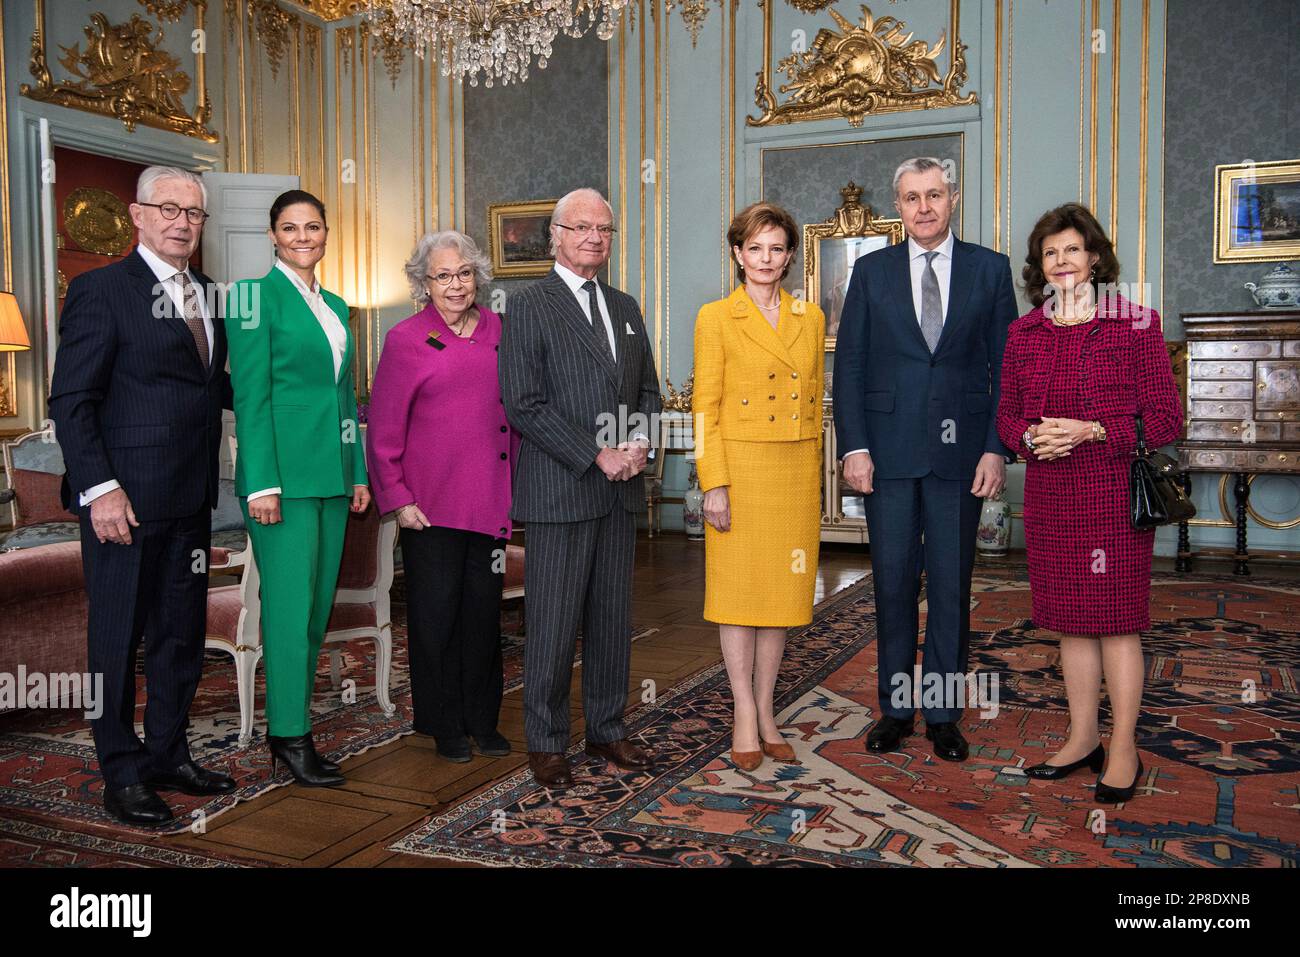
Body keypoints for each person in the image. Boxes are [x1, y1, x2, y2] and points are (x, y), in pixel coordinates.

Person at [49, 165, 237, 826]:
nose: (183, 221)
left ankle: (168, 755)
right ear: (137, 215)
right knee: (115, 638)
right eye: (169, 209)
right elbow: (72, 401)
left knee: (179, 637)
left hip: (189, 501)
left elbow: (219, 389)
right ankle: (120, 773)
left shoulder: (212, 294)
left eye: (194, 212)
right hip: (121, 505)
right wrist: (100, 489)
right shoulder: (103, 291)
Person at [832, 157, 1017, 763]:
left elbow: (1006, 372)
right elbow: (851, 366)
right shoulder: (871, 271)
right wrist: (853, 447)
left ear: (954, 198)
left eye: (933, 195)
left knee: (949, 587)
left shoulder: (989, 270)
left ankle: (942, 714)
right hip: (884, 457)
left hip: (961, 456)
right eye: (911, 198)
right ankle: (894, 709)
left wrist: (995, 446)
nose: (923, 208)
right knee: (890, 587)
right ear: (899, 205)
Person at [996, 203, 1181, 803]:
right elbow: (1007, 415)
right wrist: (1026, 437)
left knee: (1117, 624)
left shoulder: (1135, 324)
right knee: (1069, 623)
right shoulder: (1024, 334)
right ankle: (1081, 739)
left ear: (1095, 257)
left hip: (1110, 493)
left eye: (1072, 249)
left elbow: (1165, 420)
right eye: (1050, 253)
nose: (1062, 261)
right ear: (1040, 266)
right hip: (1051, 497)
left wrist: (1094, 429)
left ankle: (1122, 746)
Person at [499, 187, 662, 789]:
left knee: (611, 619)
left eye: (605, 229)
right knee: (553, 621)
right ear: (556, 236)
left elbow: (646, 391)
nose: (594, 238)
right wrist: (596, 453)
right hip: (561, 489)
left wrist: (638, 444)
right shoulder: (529, 305)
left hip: (619, 493)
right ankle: (545, 741)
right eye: (581, 227)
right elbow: (524, 404)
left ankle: (608, 728)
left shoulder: (624, 305)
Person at [225, 189, 370, 788]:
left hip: (331, 477)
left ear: (327, 233)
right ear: (273, 235)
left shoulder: (335, 303)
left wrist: (357, 470)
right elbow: (250, 396)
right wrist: (260, 481)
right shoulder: (252, 297)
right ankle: (289, 735)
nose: (303, 237)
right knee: (287, 612)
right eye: (290, 227)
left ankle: (292, 721)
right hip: (279, 480)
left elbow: (344, 396)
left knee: (314, 611)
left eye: (313, 226)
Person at [366, 231, 519, 764]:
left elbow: (518, 412)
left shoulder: (501, 330)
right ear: (423, 283)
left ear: (478, 276)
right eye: (443, 276)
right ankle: (443, 721)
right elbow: (382, 430)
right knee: (436, 618)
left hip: (491, 501)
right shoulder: (406, 339)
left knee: (483, 617)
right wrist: (398, 498)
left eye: (464, 273)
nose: (455, 285)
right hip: (428, 507)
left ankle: (483, 720)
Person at [692, 202, 825, 771]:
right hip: (740, 474)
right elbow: (705, 407)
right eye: (754, 248)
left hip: (794, 473)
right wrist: (713, 483)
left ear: (789, 255)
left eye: (776, 248)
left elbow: (817, 398)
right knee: (738, 599)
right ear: (737, 255)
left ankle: (768, 709)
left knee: (780, 602)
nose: (765, 259)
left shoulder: (811, 317)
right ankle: (743, 711)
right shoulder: (716, 317)